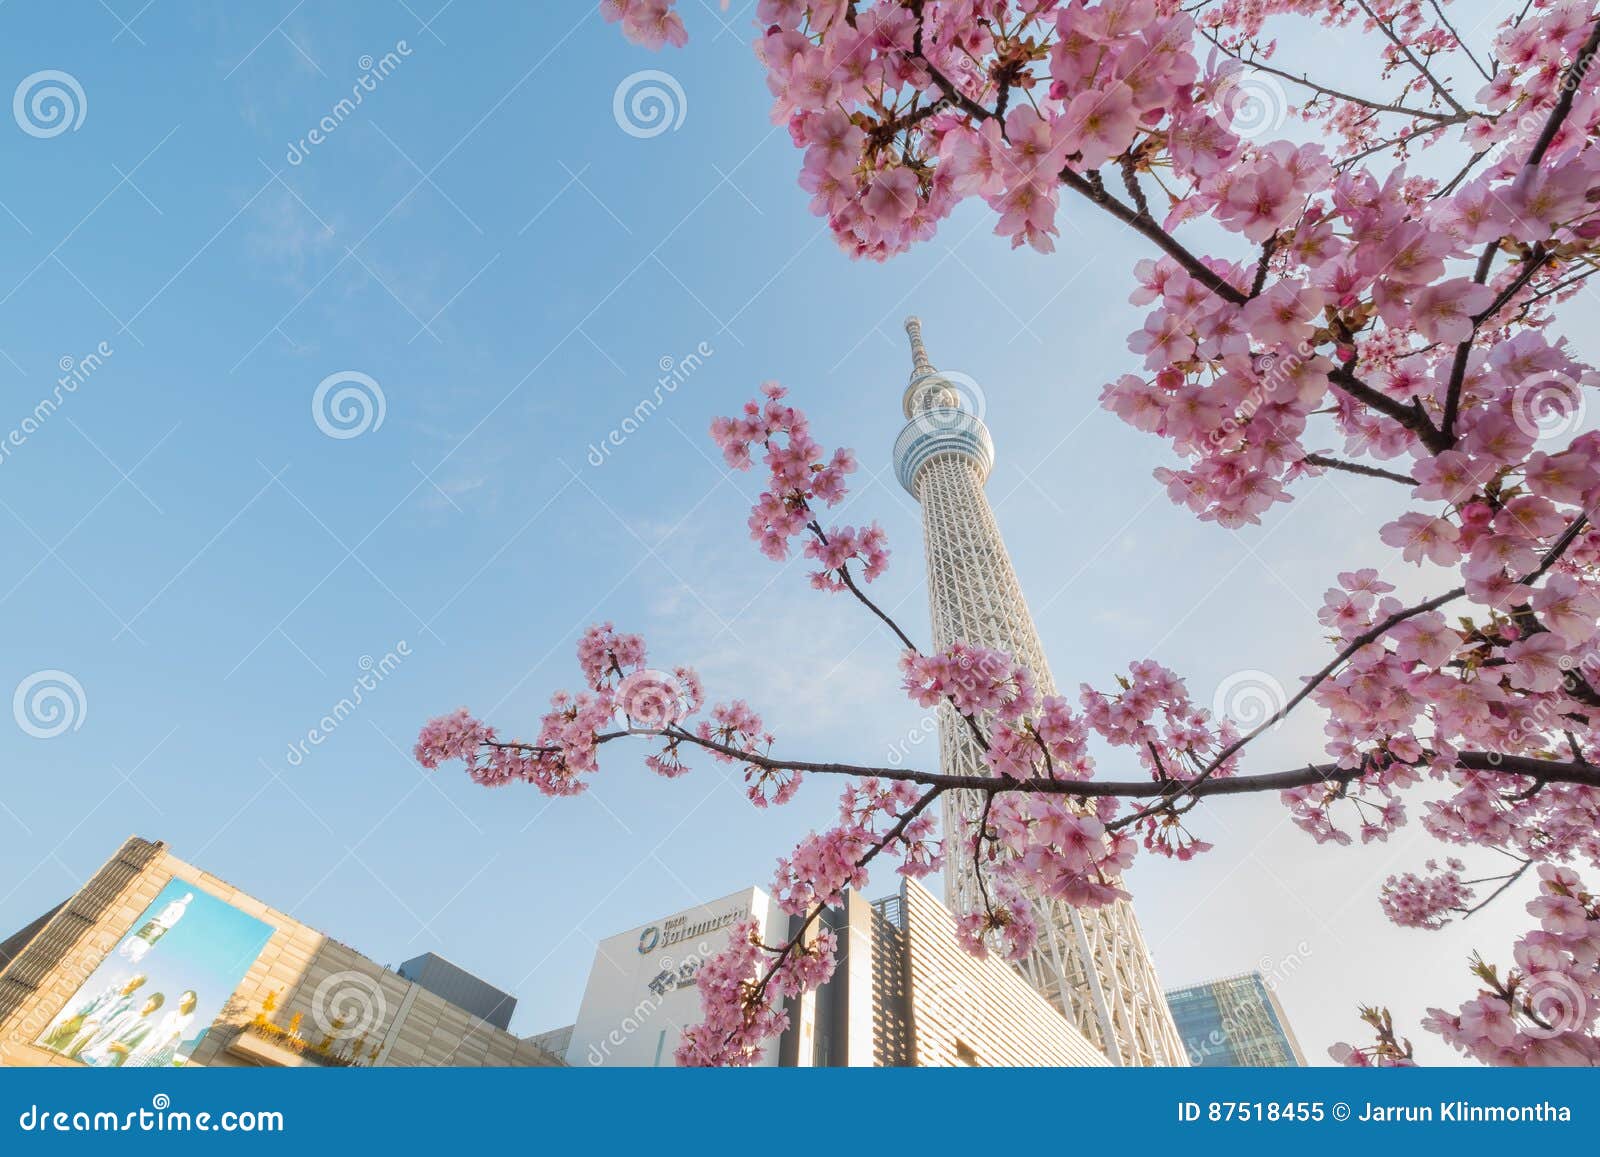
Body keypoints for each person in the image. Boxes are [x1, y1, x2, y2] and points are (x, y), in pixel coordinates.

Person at [79, 992, 165, 1067]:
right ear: (147, 1000)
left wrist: (125, 1048)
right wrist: (88, 1046)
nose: (149, 1004)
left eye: (154, 1004)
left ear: (155, 1009)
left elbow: (138, 1047)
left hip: (109, 1059)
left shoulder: (148, 1026)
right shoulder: (126, 1014)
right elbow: (105, 1030)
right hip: (93, 1051)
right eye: (150, 1000)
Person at [127, 990, 199, 1068]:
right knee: (136, 1059)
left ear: (192, 1000)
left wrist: (159, 1048)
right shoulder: (170, 1014)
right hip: (155, 1044)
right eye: (182, 996)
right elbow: (159, 1031)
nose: (182, 998)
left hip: (167, 1048)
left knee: (146, 1061)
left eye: (186, 996)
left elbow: (174, 1034)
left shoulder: (189, 1017)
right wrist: (151, 1046)